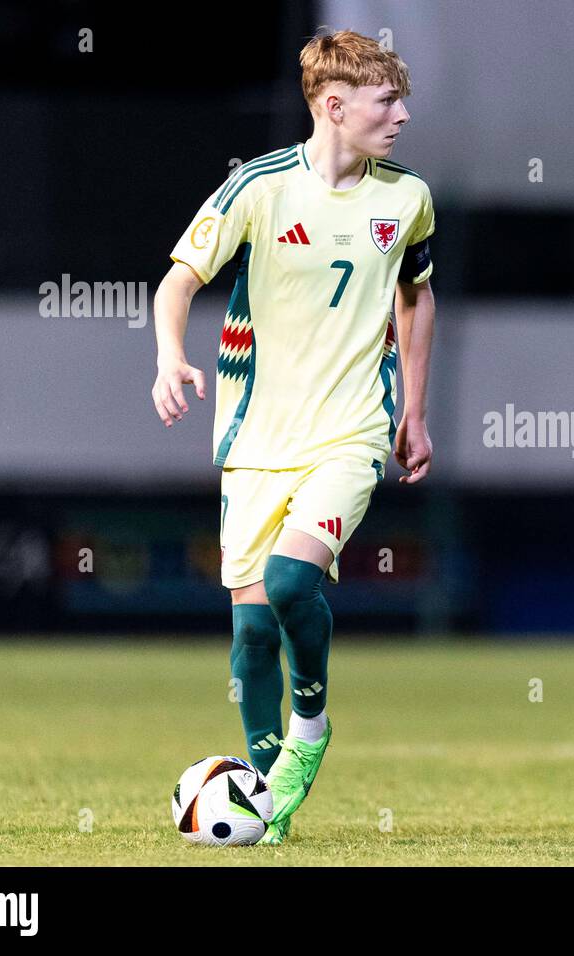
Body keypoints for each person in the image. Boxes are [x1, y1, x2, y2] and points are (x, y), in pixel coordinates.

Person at [151, 27, 437, 842]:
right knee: (249, 634)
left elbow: (417, 296)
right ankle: (265, 801)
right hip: (253, 437)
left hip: (352, 431)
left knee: (287, 584)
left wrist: (414, 411)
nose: (403, 115)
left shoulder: (407, 197)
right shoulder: (257, 189)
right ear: (335, 106)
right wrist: (170, 358)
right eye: (388, 101)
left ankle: (310, 726)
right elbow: (179, 282)